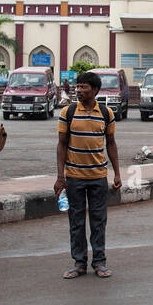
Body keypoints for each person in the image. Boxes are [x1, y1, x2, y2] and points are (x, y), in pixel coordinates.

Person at [55, 71, 123, 280]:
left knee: (98, 221)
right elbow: (61, 145)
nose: (79, 90)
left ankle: (99, 262)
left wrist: (117, 173)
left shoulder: (106, 113)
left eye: (84, 87)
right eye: (78, 86)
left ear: (95, 90)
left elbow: (111, 144)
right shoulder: (68, 112)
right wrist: (60, 177)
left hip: (98, 176)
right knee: (76, 222)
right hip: (74, 177)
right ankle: (79, 263)